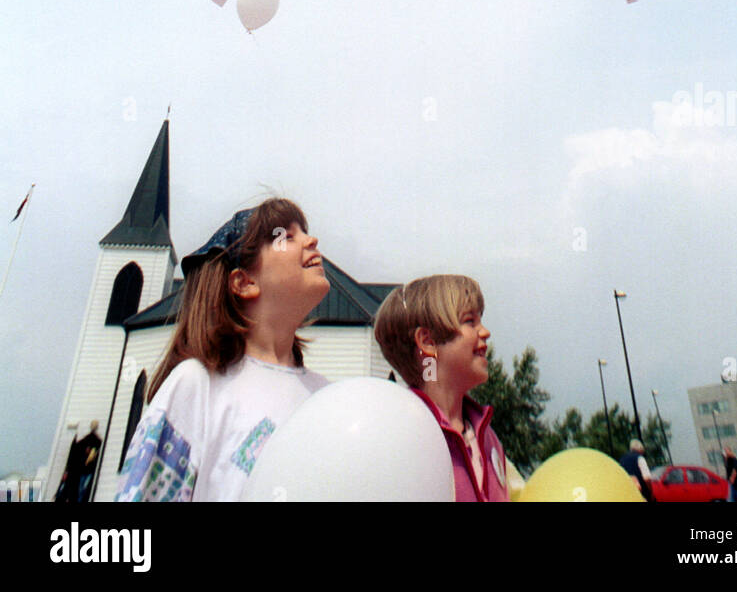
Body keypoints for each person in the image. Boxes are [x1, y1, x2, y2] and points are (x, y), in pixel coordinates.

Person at [116, 198, 330, 501]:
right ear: (243, 283)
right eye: (286, 236)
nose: (312, 240)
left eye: (304, 231)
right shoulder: (197, 386)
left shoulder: (326, 397)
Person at [374, 274, 509, 502]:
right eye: (469, 321)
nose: (485, 332)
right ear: (427, 342)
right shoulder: (401, 435)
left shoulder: (489, 439)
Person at [55, 420, 102, 503]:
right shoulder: (95, 442)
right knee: (79, 493)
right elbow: (91, 458)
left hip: (78, 473)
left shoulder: (82, 443)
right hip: (82, 472)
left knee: (75, 492)